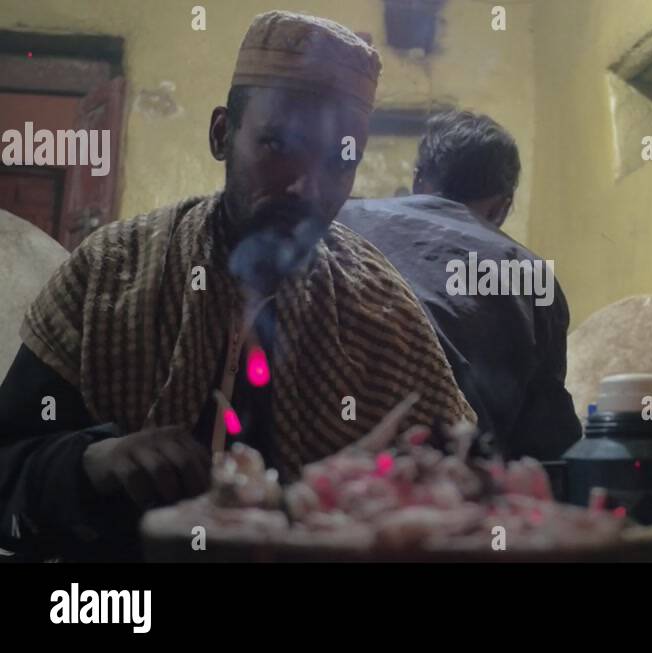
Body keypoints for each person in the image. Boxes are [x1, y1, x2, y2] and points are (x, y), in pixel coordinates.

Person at [0, 10, 473, 561]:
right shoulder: (110, 274)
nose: (306, 186)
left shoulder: (380, 311)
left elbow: (457, 486)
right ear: (223, 134)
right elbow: (7, 468)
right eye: (279, 145)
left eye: (341, 160)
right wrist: (90, 462)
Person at [339, 111, 581, 461]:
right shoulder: (529, 272)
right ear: (503, 206)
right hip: (449, 482)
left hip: (303, 462)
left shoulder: (341, 219)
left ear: (419, 180)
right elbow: (546, 443)